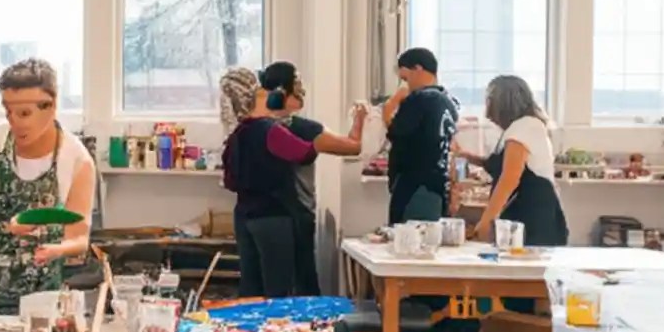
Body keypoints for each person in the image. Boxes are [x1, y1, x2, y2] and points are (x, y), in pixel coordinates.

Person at [0, 59, 96, 315]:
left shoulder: (76, 160)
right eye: (8, 112)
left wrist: (55, 250)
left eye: (24, 114)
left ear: (51, 106)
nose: (15, 122)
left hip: (38, 300)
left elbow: (79, 239)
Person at [220, 67, 365, 298]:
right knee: (280, 290)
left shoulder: (237, 133)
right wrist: (317, 143)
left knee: (251, 288)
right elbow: (305, 154)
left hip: (245, 216)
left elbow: (228, 179)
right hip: (274, 216)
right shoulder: (272, 130)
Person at [257, 61, 357, 295]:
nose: (303, 91)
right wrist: (360, 119)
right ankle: (306, 329)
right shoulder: (305, 129)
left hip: (259, 216)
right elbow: (353, 147)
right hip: (296, 212)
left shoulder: (252, 127)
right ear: (285, 92)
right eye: (298, 85)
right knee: (302, 280)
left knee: (267, 286)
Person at [458, 75, 568, 246]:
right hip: (531, 210)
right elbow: (498, 166)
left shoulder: (524, 127)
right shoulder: (524, 126)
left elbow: (510, 177)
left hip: (532, 214)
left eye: (489, 102)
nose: (487, 113)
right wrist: (464, 154)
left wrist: (487, 219)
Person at [383, 48, 460, 224]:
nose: (405, 84)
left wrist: (389, 108)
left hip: (414, 184)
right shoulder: (449, 102)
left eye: (405, 78)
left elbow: (396, 133)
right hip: (439, 185)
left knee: (409, 239)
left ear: (417, 69)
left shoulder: (419, 99)